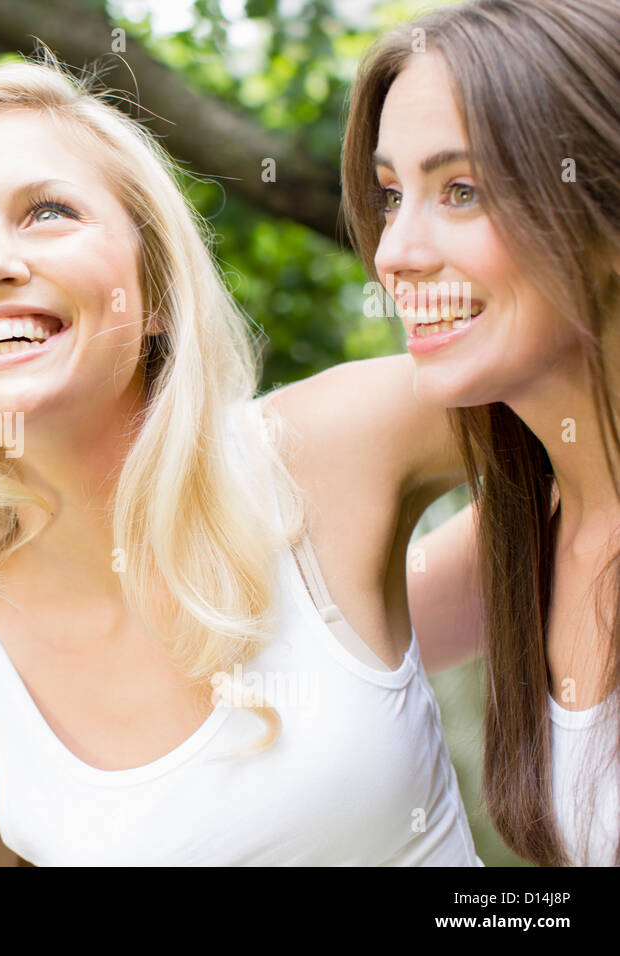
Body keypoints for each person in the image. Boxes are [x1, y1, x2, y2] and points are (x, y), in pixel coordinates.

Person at [0, 56, 480, 864]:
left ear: (153, 293)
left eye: (47, 211)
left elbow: (584, 404)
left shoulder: (335, 445)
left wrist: (424, 598)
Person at [342, 0, 620, 866]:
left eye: (461, 190)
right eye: (392, 197)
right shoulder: (520, 538)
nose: (393, 253)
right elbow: (244, 650)